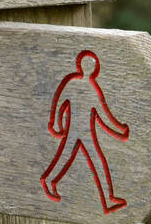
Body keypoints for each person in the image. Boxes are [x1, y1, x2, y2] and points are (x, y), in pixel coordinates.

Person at [41, 50, 129, 213]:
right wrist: (57, 124)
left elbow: (102, 115)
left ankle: (108, 199)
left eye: (92, 65)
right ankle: (49, 180)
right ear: (83, 66)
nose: (90, 68)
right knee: (71, 158)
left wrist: (119, 129)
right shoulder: (74, 83)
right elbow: (60, 103)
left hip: (86, 132)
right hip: (75, 130)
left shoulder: (90, 88)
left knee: (94, 161)